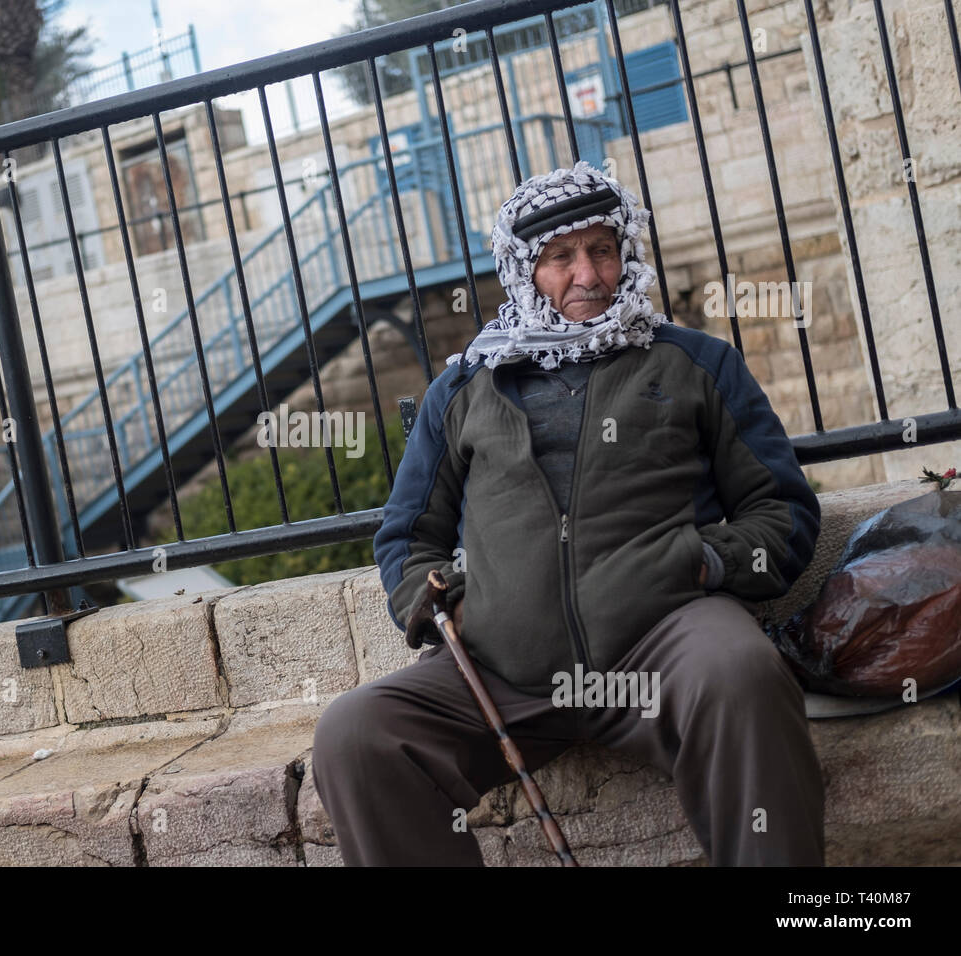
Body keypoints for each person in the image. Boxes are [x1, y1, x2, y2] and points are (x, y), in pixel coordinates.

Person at [312, 160, 824, 866]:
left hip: (664, 647)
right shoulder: (463, 389)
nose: (588, 275)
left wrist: (705, 561)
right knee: (355, 732)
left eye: (603, 250)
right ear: (524, 270)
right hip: (501, 673)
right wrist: (442, 606)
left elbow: (782, 512)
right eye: (561, 257)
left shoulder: (695, 365)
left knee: (743, 671)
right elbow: (408, 536)